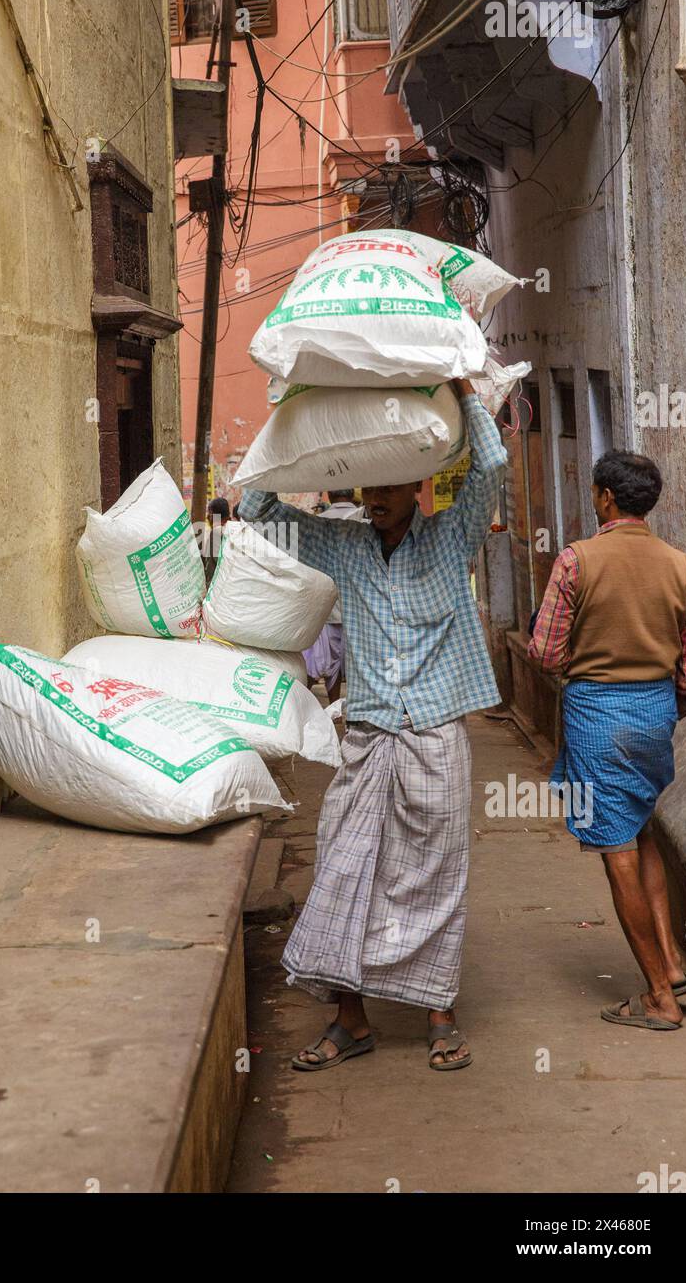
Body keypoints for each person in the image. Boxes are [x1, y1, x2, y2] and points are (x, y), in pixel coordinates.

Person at [239, 379, 506, 1072]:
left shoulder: (452, 538)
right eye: (368, 489)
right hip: (367, 735)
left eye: (390, 486)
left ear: (418, 484)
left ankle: (439, 1015)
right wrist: (288, 419)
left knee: (432, 874)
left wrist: (462, 391)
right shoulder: (344, 547)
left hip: (435, 735)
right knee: (342, 869)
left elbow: (493, 468)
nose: (377, 499)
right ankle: (349, 1020)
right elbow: (256, 510)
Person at [528, 450, 686, 1031]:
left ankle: (658, 997)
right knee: (641, 827)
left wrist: (592, 670)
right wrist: (664, 703)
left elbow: (545, 653)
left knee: (616, 851)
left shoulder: (577, 561)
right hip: (657, 715)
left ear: (604, 496)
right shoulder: (684, 567)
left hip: (596, 717)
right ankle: (672, 966)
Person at [302, 489, 364, 704]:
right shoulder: (365, 521)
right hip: (358, 607)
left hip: (325, 605)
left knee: (318, 660)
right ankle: (341, 706)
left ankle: (317, 702)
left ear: (329, 496)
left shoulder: (317, 523)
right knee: (351, 663)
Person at [203, 496, 231, 584]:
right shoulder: (231, 529)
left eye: (209, 513)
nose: (208, 517)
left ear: (212, 514)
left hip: (217, 587)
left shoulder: (216, 533)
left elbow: (220, 561)